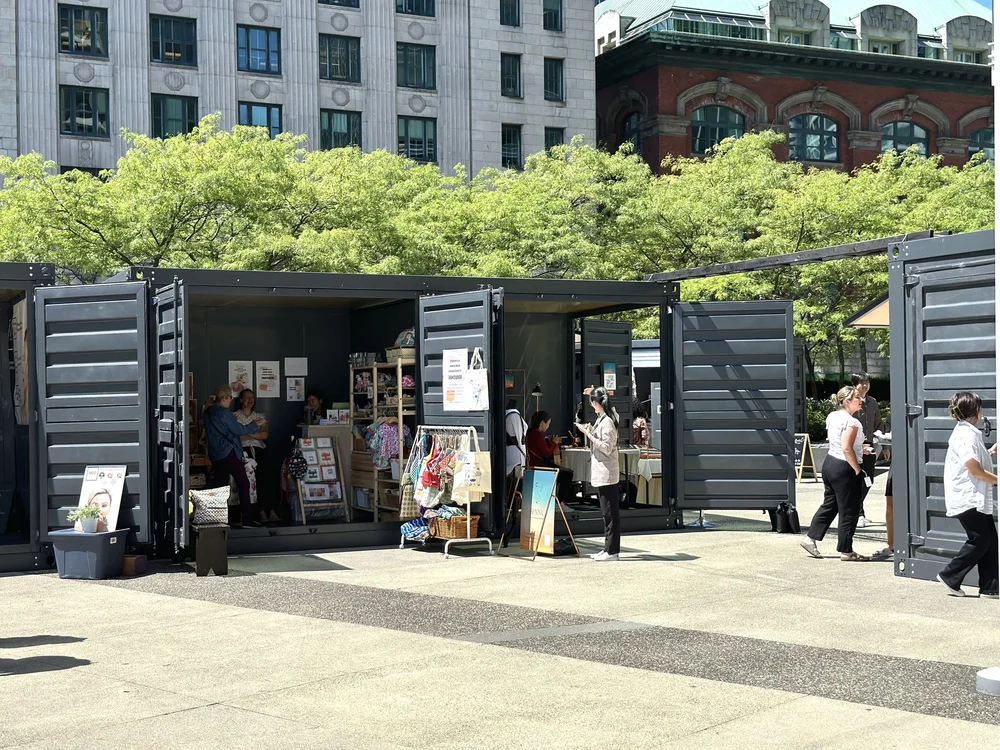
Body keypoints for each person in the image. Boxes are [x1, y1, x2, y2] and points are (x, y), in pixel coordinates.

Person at [936, 391, 998, 598]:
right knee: (980, 539)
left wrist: (988, 452)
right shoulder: (966, 435)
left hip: (974, 496)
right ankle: (949, 576)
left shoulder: (968, 432)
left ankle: (990, 588)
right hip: (968, 496)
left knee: (989, 540)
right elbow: (974, 470)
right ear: (975, 410)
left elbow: (972, 461)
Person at [800, 386, 872, 562]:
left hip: (830, 463)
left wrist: (860, 449)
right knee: (849, 510)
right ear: (847, 401)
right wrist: (857, 469)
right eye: (857, 397)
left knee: (830, 504)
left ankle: (810, 538)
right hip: (845, 467)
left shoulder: (833, 416)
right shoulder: (852, 422)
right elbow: (846, 448)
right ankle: (846, 551)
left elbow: (841, 443)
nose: (861, 400)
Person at [204, 385, 265, 528]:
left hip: (215, 454)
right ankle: (247, 520)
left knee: (219, 487)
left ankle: (218, 520)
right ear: (225, 398)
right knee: (244, 483)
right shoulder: (225, 413)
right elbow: (239, 430)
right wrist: (255, 424)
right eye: (230, 398)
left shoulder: (208, 412)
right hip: (228, 452)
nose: (231, 401)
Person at [576, 387, 621, 562]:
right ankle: (608, 548)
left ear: (596, 403)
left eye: (592, 404)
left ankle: (612, 551)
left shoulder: (608, 421)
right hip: (604, 472)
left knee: (610, 514)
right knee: (607, 513)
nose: (592, 407)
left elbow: (606, 448)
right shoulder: (604, 418)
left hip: (607, 472)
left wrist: (589, 435)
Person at [235, 389, 280, 524]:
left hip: (259, 450)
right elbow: (236, 436)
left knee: (265, 477)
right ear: (241, 399)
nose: (250, 400)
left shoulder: (259, 417)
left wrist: (245, 431)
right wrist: (254, 431)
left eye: (252, 397)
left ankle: (270, 510)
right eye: (247, 397)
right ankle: (259, 512)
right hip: (242, 451)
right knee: (250, 481)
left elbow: (264, 435)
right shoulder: (234, 416)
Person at [851, 372, 885, 528]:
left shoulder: (872, 402)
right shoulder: (851, 401)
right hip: (854, 447)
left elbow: (878, 424)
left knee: (869, 480)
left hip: (869, 446)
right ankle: (858, 514)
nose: (865, 385)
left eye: (867, 382)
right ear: (854, 384)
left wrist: (884, 446)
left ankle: (859, 511)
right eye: (862, 382)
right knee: (857, 481)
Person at [526, 411, 576, 507]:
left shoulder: (529, 433)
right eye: (548, 423)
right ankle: (560, 502)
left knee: (565, 472)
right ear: (542, 423)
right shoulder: (538, 435)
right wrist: (554, 443)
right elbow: (547, 453)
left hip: (532, 465)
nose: (548, 426)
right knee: (568, 473)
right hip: (540, 467)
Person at [504, 399, 527, 477]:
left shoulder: (505, 415)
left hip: (509, 449)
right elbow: (519, 434)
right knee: (517, 477)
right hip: (516, 452)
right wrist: (522, 451)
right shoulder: (514, 415)